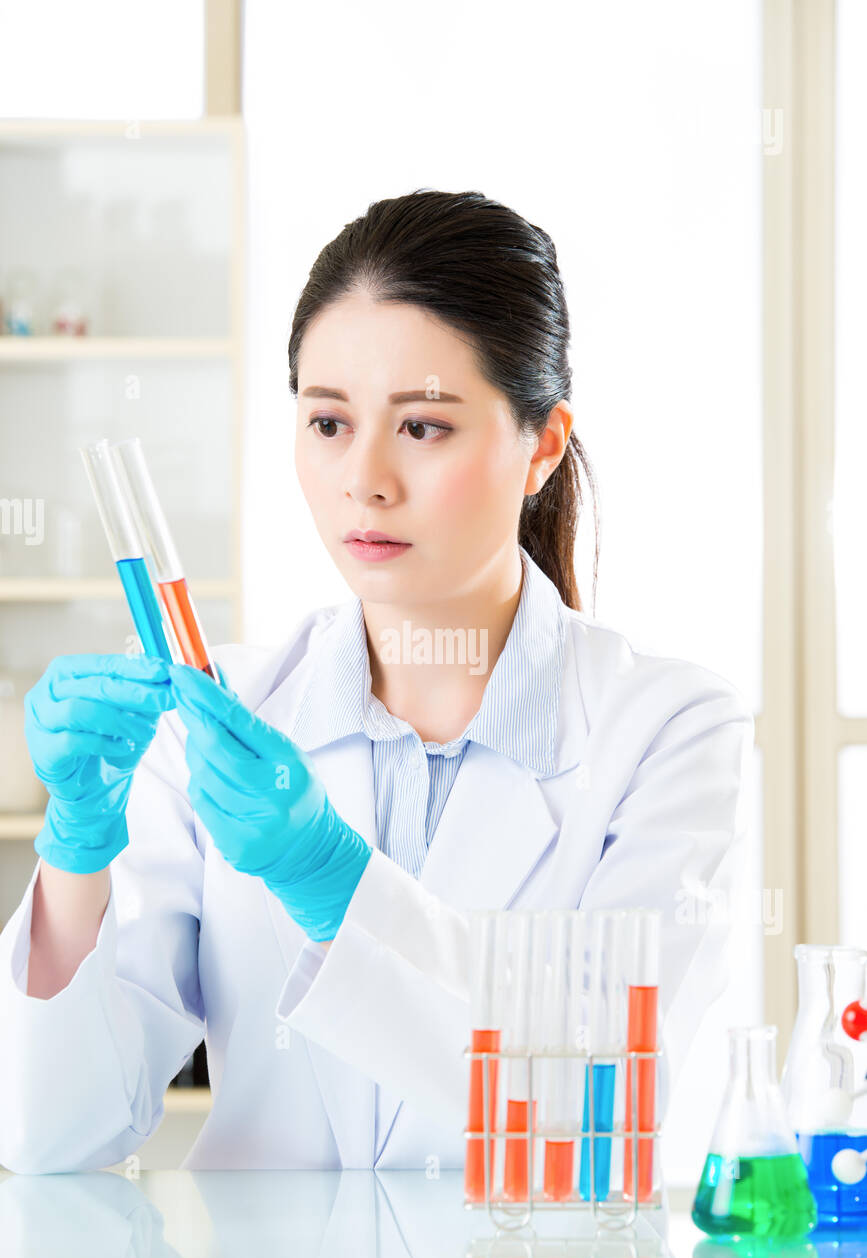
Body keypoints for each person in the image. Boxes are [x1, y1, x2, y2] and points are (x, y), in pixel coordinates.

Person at [0, 190, 753, 1174]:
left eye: (424, 427)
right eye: (327, 422)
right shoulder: (220, 711)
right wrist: (76, 850)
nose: (364, 479)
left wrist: (329, 875)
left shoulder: (666, 731)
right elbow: (50, 1134)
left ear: (544, 444)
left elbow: (596, 1120)